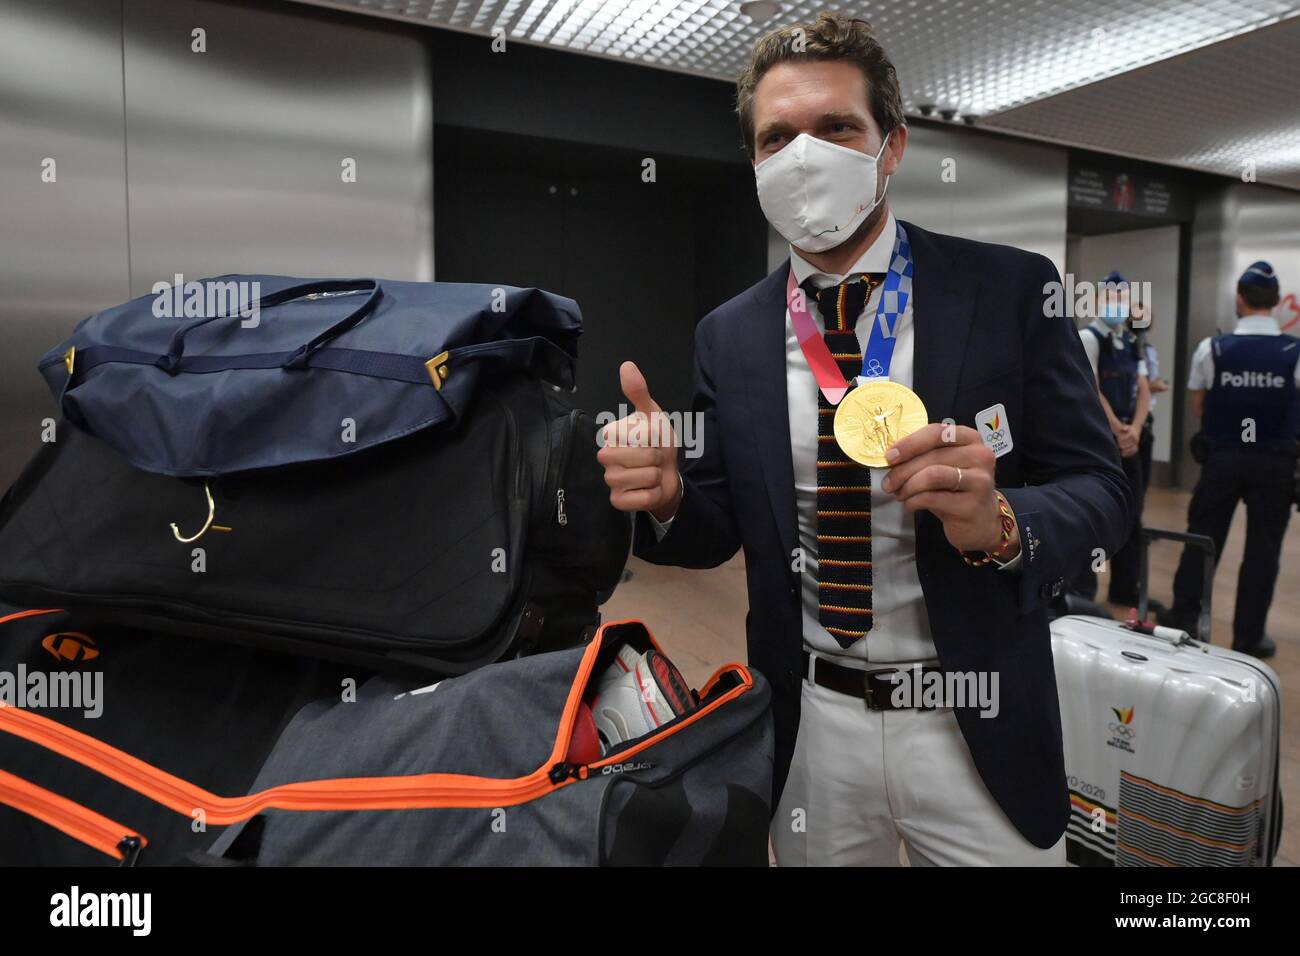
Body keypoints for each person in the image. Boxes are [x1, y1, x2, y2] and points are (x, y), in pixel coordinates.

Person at [596, 13, 1129, 866]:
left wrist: (1001, 523)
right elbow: (723, 524)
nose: (805, 155)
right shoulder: (728, 336)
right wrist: (667, 503)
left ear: (892, 147)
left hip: (977, 715)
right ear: (756, 164)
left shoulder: (1007, 290)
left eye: (837, 127)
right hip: (814, 729)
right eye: (777, 138)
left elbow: (1104, 494)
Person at [1158, 262, 1298, 659]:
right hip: (1276, 462)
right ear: (1274, 301)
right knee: (1263, 550)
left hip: (1223, 458)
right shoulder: (1294, 352)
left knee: (1203, 537)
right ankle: (1249, 636)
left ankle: (1184, 617)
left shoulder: (1212, 348)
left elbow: (1199, 406)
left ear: (1240, 299)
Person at [1075, 272, 1150, 606]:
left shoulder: (1132, 341)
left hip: (1132, 439)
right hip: (1101, 439)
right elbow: (1090, 386)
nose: (1117, 306)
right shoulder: (1088, 338)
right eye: (1111, 298)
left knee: (1133, 514)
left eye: (1123, 299)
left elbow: (1143, 387)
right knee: (1097, 512)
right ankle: (1083, 591)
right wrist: (1118, 429)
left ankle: (1125, 587)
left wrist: (1134, 427)